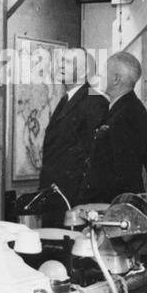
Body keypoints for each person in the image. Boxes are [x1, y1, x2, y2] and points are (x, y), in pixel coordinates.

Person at [39, 48, 108, 206]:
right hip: (55, 195)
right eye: (62, 61)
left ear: (84, 72)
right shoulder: (66, 99)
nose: (62, 65)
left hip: (73, 201)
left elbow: (92, 160)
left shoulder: (95, 101)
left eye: (69, 62)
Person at [85, 52, 147, 202]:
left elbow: (122, 171)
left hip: (115, 202)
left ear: (116, 79)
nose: (98, 77)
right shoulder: (125, 108)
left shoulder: (126, 114)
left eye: (103, 72)